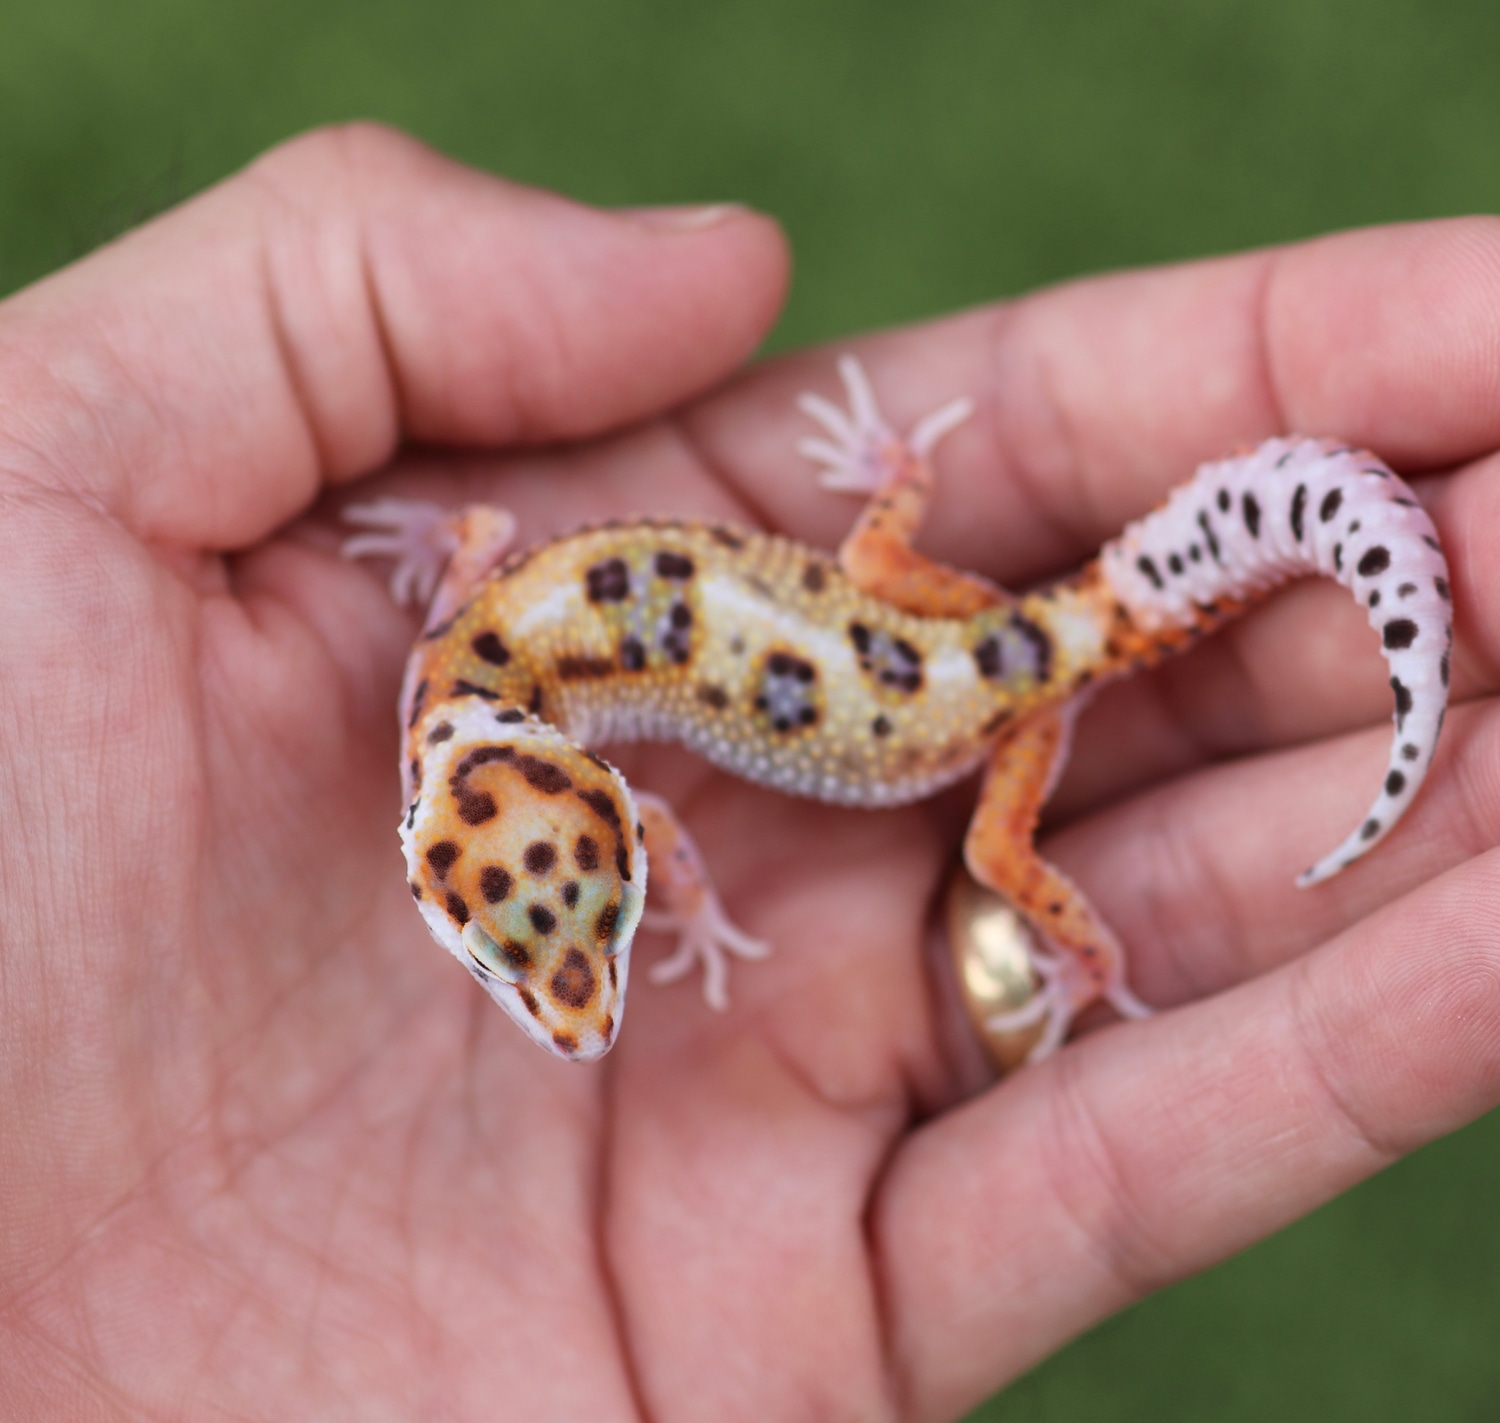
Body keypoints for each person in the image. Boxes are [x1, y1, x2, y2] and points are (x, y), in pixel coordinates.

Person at [1, 123, 1494, 1422]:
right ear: (437, 872)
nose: (577, 1004)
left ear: (463, 853)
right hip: (959, 620)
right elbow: (474, 553)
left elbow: (631, 803)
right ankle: (925, 517)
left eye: (568, 944)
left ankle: (1091, 970)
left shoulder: (462, 698)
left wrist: (693, 915)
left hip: (1005, 703)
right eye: (557, 950)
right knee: (870, 573)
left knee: (997, 865)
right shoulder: (466, 657)